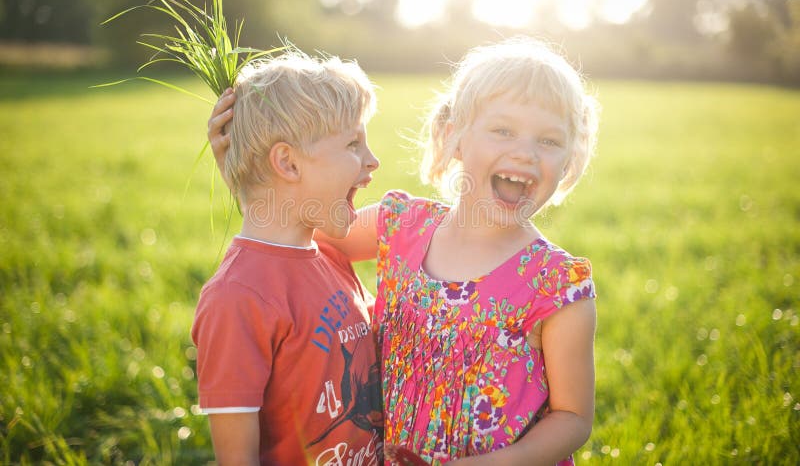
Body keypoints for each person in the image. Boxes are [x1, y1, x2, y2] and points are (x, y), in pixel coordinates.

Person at [208, 36, 600, 465]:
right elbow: (289, 225)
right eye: (503, 130)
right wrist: (250, 173)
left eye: (549, 140)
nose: (525, 153)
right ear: (454, 137)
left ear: (569, 159)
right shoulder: (401, 227)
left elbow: (573, 416)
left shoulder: (557, 285)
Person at [193, 50, 384, 466]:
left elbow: (419, 231)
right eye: (353, 143)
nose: (373, 161)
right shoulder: (236, 299)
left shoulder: (330, 252)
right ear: (287, 162)